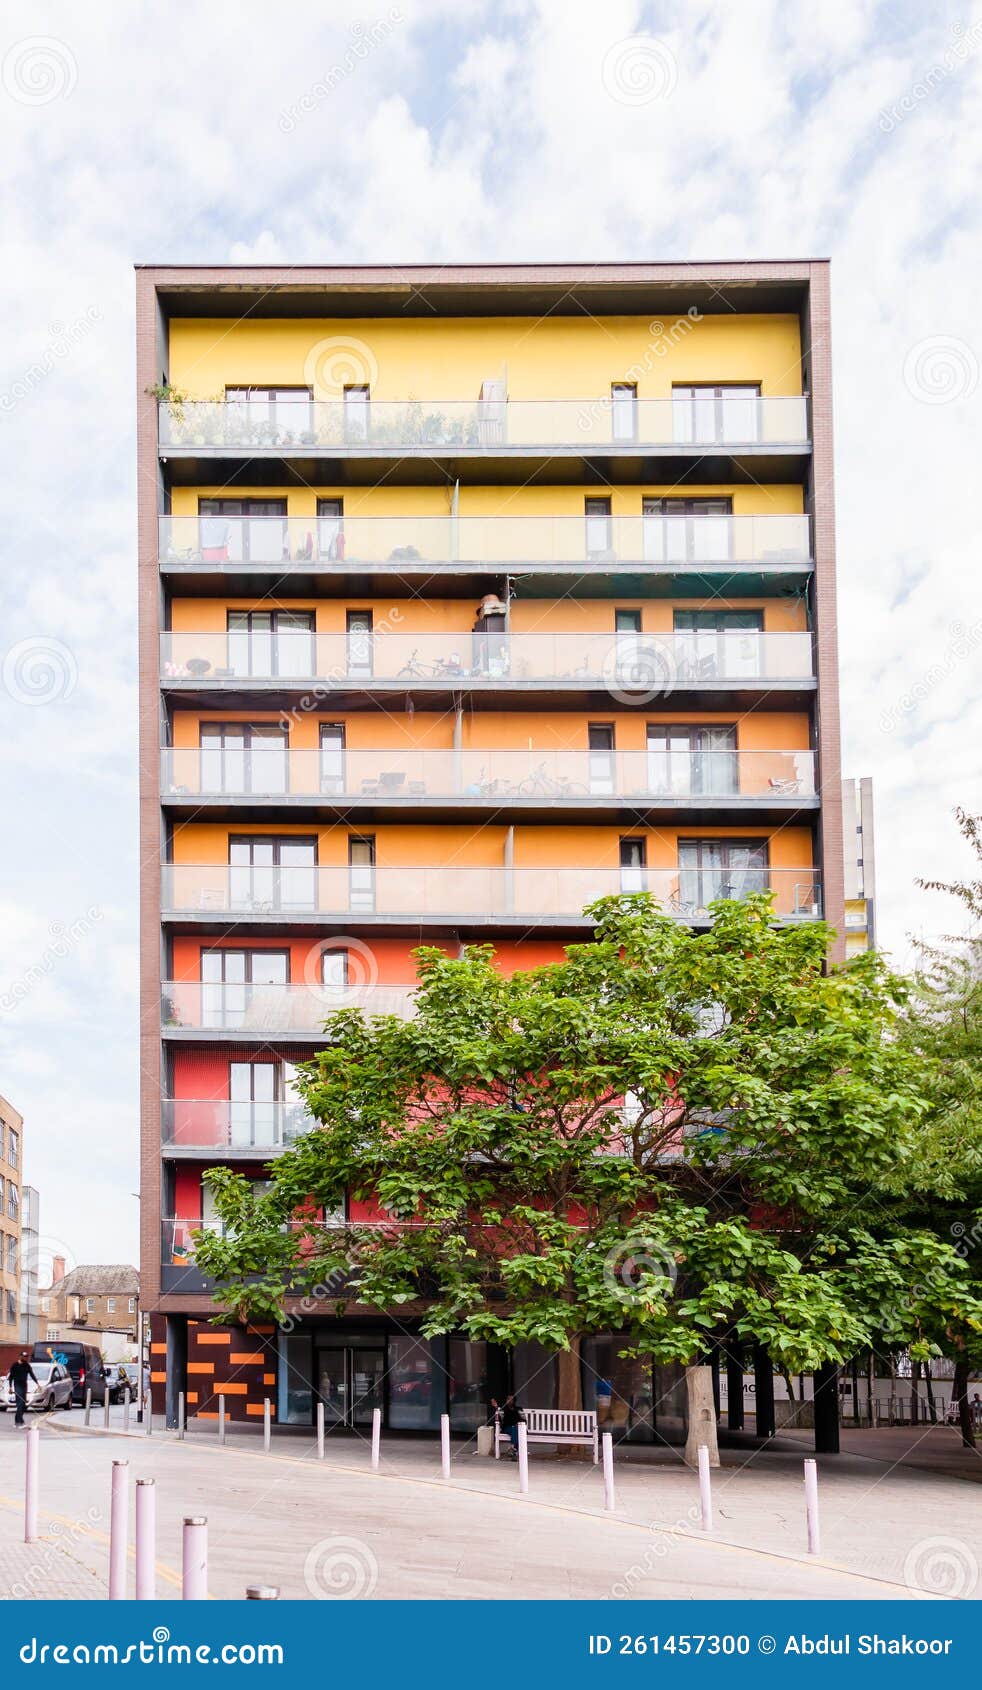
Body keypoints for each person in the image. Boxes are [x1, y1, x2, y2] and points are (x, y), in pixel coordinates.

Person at [9, 1353, 38, 1427]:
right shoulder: (15, 1365)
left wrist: (37, 1383)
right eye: (24, 1356)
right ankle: (20, 1421)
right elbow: (11, 1376)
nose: (25, 1358)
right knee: (20, 1403)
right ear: (20, 1356)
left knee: (23, 1405)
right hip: (17, 1385)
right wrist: (10, 1387)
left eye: (26, 1357)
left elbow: (32, 1374)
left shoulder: (27, 1365)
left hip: (24, 1386)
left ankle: (17, 1421)